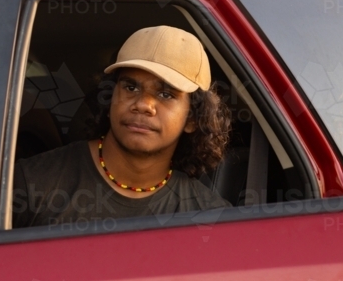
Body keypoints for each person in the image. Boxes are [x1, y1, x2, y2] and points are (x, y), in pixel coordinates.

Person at [13, 26, 231, 228]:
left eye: (166, 94)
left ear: (192, 119)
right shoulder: (29, 184)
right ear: (109, 99)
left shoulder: (211, 218)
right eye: (131, 87)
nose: (143, 104)